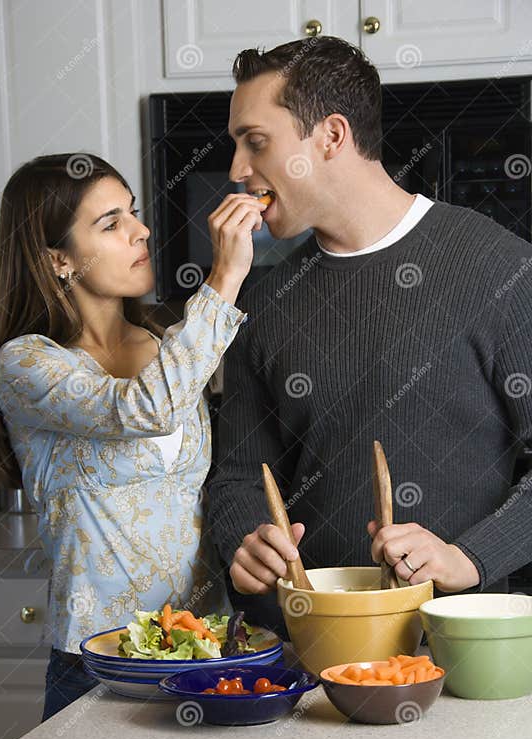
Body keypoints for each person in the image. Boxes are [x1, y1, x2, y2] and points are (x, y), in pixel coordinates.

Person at [208, 36, 532, 635]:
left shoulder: (499, 269)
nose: (237, 171)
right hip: (300, 658)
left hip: (457, 654)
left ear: (331, 137)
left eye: (256, 143)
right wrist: (242, 541)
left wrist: (469, 557)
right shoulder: (266, 299)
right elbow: (237, 475)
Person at [0, 153, 268, 719]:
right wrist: (225, 276)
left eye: (133, 214)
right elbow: (146, 409)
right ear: (58, 259)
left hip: (204, 648)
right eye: (110, 223)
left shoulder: (170, 346)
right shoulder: (25, 364)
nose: (141, 231)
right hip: (99, 661)